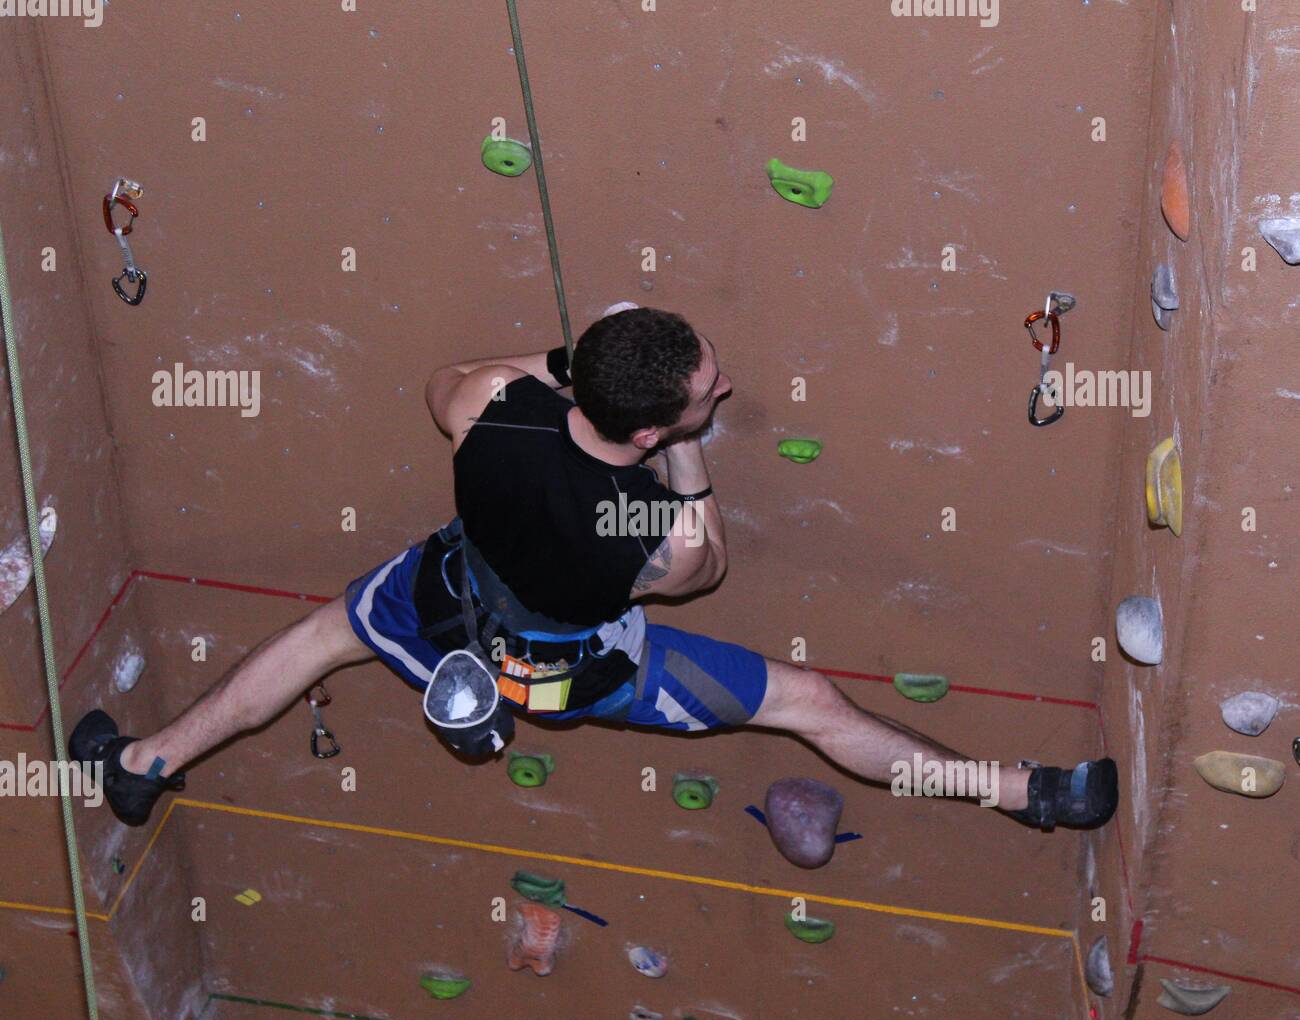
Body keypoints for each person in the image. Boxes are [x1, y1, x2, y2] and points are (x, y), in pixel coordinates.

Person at [71, 306, 1118, 837]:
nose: (726, 385)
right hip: (582, 666)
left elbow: (445, 382)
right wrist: (691, 453)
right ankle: (1022, 793)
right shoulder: (648, 529)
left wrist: (573, 362)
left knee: (315, 640)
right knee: (808, 701)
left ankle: (145, 764)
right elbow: (699, 570)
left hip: (442, 602)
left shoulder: (493, 407)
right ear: (656, 427)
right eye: (707, 390)